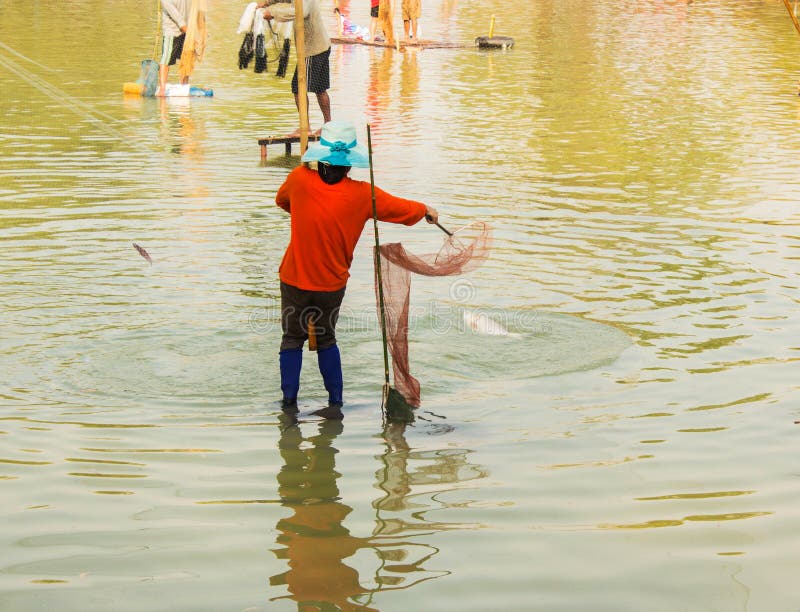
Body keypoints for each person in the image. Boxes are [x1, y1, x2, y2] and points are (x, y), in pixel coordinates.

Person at [274, 121, 438, 420]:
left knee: (292, 339)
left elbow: (282, 200)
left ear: (321, 159)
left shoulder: (299, 179)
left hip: (294, 279)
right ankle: (336, 403)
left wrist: (305, 210)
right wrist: (424, 209)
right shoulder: (363, 195)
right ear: (349, 164)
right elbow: (400, 208)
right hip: (331, 284)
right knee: (326, 339)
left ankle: (288, 406)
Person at [259, 0, 332, 135]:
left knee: (298, 87)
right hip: (321, 45)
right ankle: (328, 126)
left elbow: (301, 12)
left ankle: (305, 127)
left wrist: (273, 13)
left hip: (312, 49)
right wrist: (266, 3)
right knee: (320, 89)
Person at [158, 0, 191, 96]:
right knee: (166, 59)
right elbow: (177, 17)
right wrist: (190, 33)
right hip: (172, 31)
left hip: (186, 30)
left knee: (186, 59)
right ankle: (162, 90)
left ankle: (184, 86)